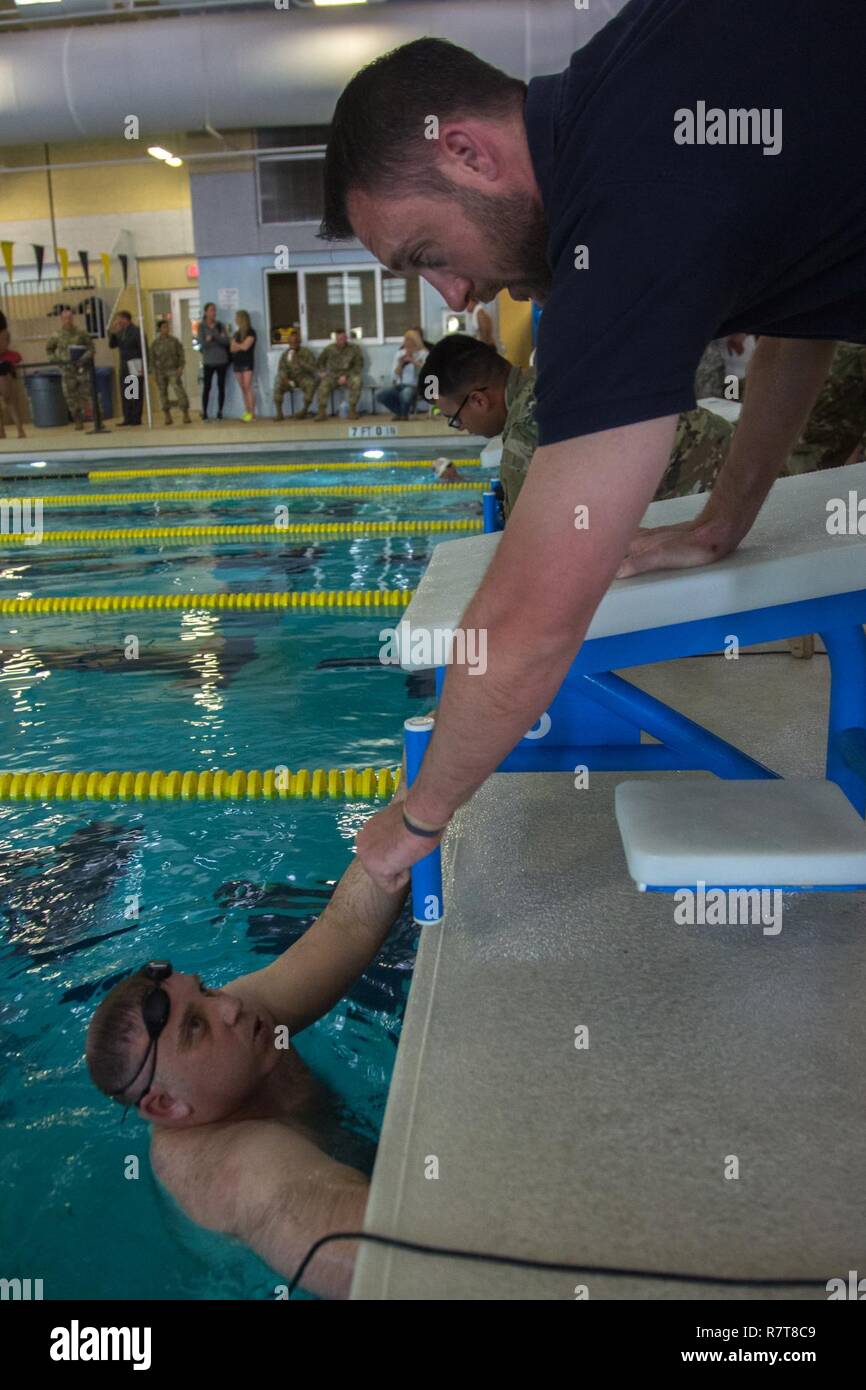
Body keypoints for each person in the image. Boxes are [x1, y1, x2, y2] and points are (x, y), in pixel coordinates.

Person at [318, 7, 866, 891]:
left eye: (427, 254)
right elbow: (798, 321)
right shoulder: (637, 81)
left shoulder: (618, 213)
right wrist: (723, 519)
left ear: (467, 151)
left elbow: (530, 623)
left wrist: (415, 820)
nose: (455, 297)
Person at [84, 784, 412, 1301]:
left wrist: (410, 811)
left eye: (207, 991)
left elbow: (345, 927)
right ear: (166, 1104)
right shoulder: (236, 1170)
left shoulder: (241, 1027)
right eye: (196, 1026)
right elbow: (393, 1266)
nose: (230, 1006)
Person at [424, 335, 733, 518]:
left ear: (478, 400)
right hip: (745, 456)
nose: (460, 428)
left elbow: (534, 553)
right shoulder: (556, 373)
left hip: (726, 499)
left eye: (456, 418)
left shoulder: (524, 435)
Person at [45, 306, 94, 432]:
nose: (68, 320)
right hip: (67, 370)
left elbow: (91, 348)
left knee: (86, 395)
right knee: (70, 397)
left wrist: (84, 358)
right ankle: (77, 420)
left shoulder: (81, 333)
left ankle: (94, 418)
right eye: (65, 318)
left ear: (73, 318)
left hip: (81, 369)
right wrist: (57, 360)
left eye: (70, 317)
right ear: (61, 319)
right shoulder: (56, 335)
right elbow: (49, 350)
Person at [376, 329, 427, 420]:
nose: (407, 343)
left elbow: (427, 372)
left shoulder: (424, 353)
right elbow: (394, 376)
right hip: (400, 385)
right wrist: (400, 364)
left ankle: (403, 416)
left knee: (406, 393)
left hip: (416, 386)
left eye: (410, 340)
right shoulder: (399, 353)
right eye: (406, 340)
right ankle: (402, 413)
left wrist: (414, 361)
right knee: (381, 395)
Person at [315, 329, 364, 422]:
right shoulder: (329, 349)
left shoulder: (354, 349)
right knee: (323, 384)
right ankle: (321, 412)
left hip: (348, 376)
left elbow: (359, 365)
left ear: (346, 338)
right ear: (335, 339)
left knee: (357, 381)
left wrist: (346, 375)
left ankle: (352, 410)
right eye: (338, 339)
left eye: (342, 338)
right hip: (332, 376)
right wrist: (322, 372)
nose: (340, 341)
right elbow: (320, 362)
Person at [150, 318, 191, 426]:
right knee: (162, 393)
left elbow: (181, 354)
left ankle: (185, 412)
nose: (166, 329)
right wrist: (153, 372)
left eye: (167, 326)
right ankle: (167, 415)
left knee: (179, 390)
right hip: (160, 371)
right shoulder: (155, 344)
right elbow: (152, 359)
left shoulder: (174, 341)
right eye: (164, 327)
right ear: (159, 329)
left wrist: (181, 366)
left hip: (173, 369)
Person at [272, 328, 318, 421]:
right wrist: (285, 378)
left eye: (295, 342)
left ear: (299, 342)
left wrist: (300, 362)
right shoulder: (285, 354)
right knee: (278, 381)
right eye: (291, 343)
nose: (293, 345)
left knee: (310, 383)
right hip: (289, 379)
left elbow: (314, 369)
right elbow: (281, 369)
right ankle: (279, 413)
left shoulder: (306, 352)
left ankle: (304, 411)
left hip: (303, 377)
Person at [108, 310, 143, 426]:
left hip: (135, 362)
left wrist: (144, 365)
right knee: (126, 391)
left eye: (119, 319)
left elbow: (142, 348)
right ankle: (127, 417)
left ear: (125, 319)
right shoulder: (120, 332)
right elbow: (112, 345)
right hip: (123, 364)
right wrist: (112, 332)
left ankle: (136, 417)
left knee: (134, 391)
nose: (117, 321)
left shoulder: (136, 331)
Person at [197, 302, 230, 421]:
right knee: (207, 387)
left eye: (214, 310)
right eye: (211, 310)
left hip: (221, 361)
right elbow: (202, 343)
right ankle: (205, 412)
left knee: (221, 387)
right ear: (206, 312)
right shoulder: (201, 326)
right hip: (208, 361)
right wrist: (215, 338)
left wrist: (213, 336)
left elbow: (226, 341)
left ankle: (220, 412)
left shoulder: (220, 325)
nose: (213, 312)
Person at [0, 309, 26, 440]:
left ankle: (20, 430)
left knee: (9, 400)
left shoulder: (4, 333)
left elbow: (2, 348)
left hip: (3, 367)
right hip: (4, 366)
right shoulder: (4, 333)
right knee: (9, 402)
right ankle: (2, 432)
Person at [230, 309, 257, 422]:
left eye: (237, 317)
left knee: (247, 387)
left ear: (242, 319)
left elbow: (246, 347)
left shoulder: (251, 332)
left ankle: (252, 414)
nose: (235, 320)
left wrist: (238, 345)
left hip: (247, 363)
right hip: (237, 363)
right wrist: (239, 345)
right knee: (243, 389)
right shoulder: (236, 334)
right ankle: (247, 412)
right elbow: (232, 348)